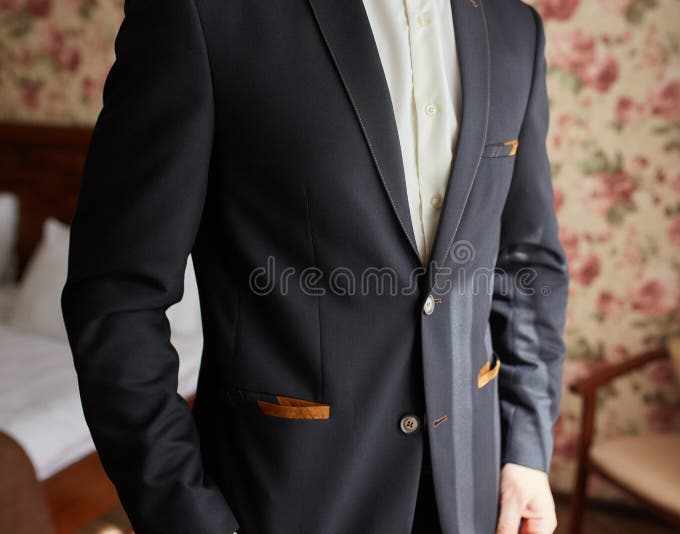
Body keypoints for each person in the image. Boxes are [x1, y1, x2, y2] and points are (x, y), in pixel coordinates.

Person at [61, 1, 569, 533]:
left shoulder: (514, 27)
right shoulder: (201, 13)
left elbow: (526, 264)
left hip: (476, 493)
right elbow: (117, 298)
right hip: (281, 499)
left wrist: (527, 450)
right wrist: (187, 516)